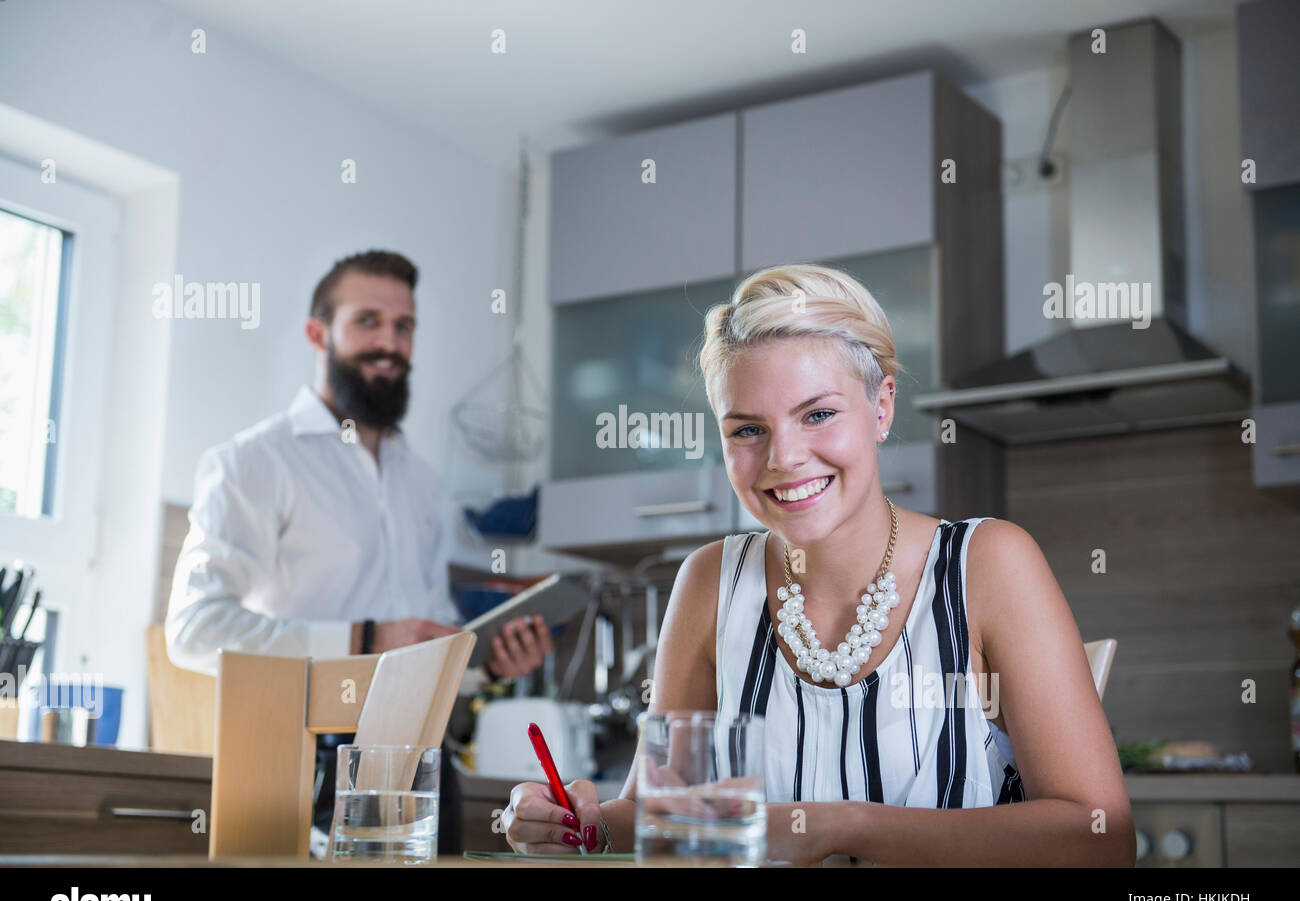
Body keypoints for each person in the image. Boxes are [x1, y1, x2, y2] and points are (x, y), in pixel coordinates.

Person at [503, 263, 1136, 865]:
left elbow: (1100, 838)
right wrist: (576, 824)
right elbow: (656, 812)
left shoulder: (988, 564)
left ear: (882, 406)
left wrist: (837, 824)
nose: (783, 458)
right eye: (748, 430)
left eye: (819, 414)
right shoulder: (709, 581)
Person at [165, 249, 553, 856]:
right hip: (301, 767)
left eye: (404, 327)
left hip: (424, 768)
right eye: (367, 321)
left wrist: (489, 666)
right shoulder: (252, 463)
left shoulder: (423, 483)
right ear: (318, 333)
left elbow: (416, 645)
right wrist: (362, 639)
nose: (390, 343)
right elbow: (192, 630)